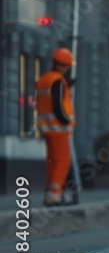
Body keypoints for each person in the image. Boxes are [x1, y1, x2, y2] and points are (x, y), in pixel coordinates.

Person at [36, 47, 76, 207]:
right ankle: (55, 195)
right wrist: (67, 121)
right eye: (67, 66)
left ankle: (50, 194)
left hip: (48, 129)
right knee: (62, 162)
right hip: (59, 129)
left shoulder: (45, 79)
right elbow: (58, 106)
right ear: (63, 66)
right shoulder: (58, 82)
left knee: (52, 162)